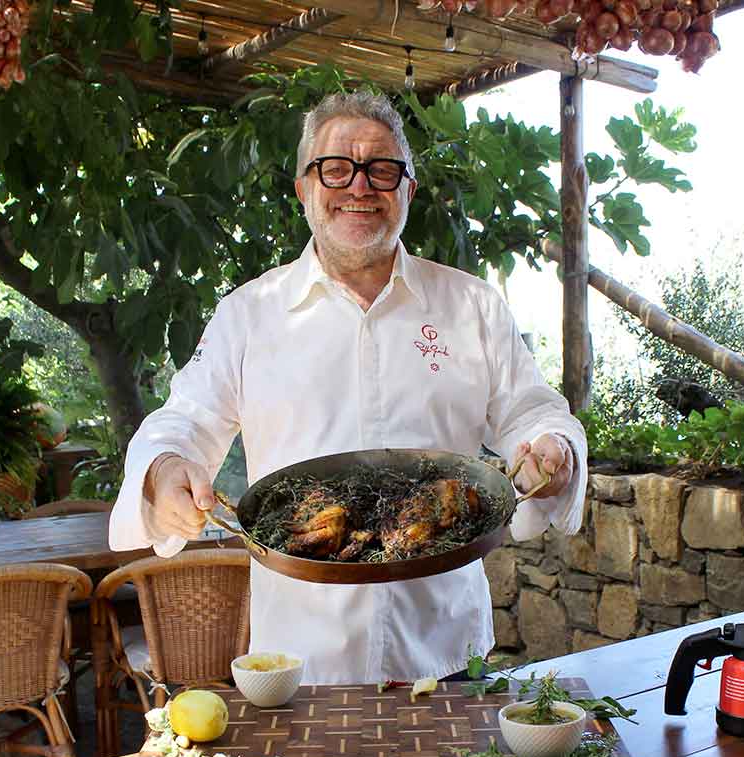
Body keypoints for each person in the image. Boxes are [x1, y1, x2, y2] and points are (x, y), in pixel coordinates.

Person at [110, 91, 588, 685]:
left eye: (382, 170)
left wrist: (553, 446)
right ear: (304, 189)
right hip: (300, 665)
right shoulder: (249, 314)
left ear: (408, 191)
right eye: (336, 168)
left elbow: (534, 411)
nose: (360, 186)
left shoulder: (472, 307)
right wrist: (162, 470)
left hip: (446, 652)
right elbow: (184, 420)